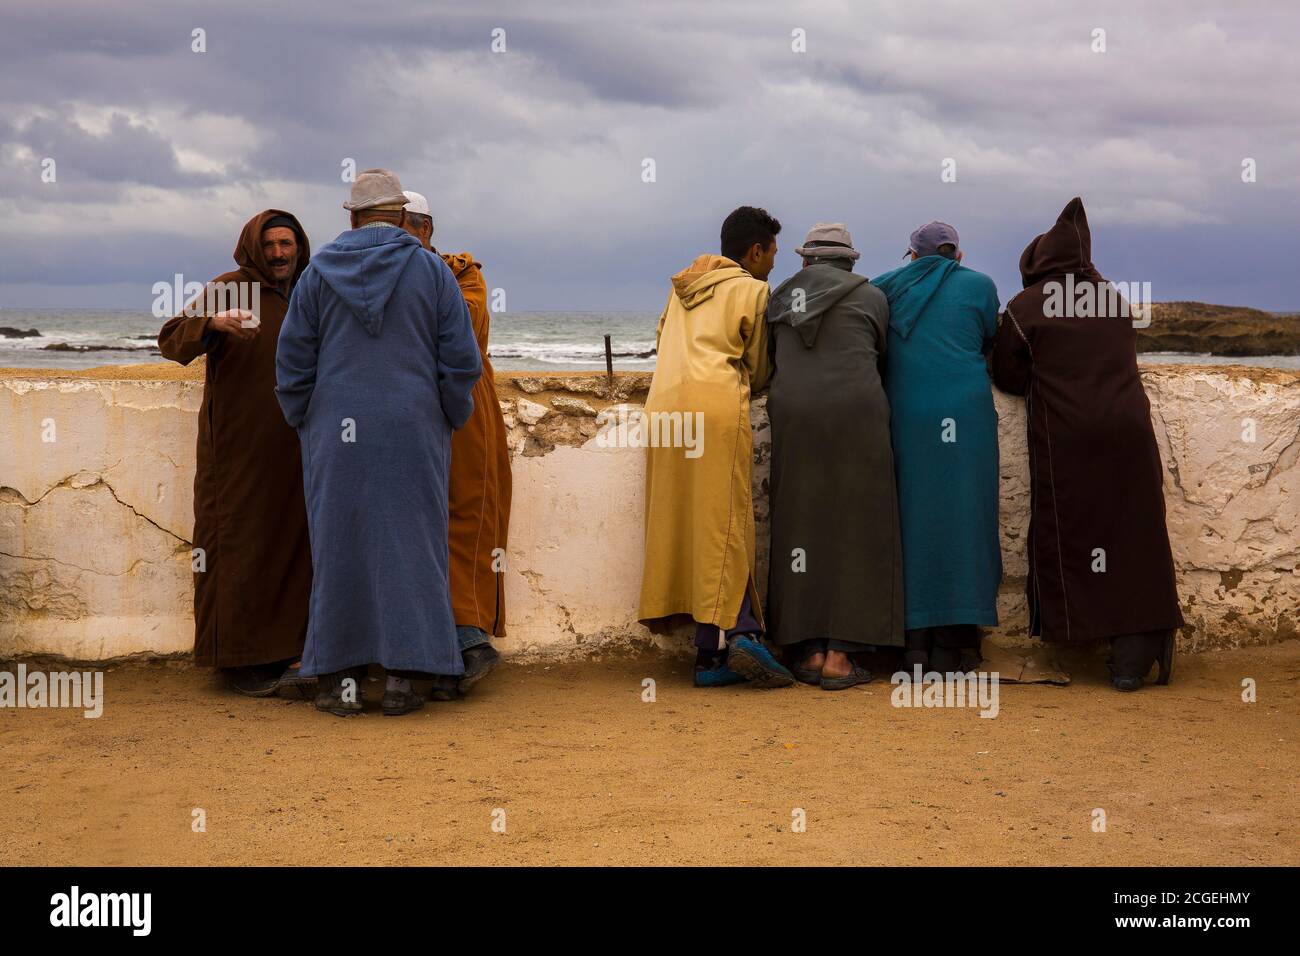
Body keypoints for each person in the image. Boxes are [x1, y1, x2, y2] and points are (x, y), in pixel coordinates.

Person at [275, 169, 481, 717]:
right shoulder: (430, 271)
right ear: (399, 216)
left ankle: (335, 681)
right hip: (412, 427)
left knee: (337, 547)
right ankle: (403, 681)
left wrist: (306, 420)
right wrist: (446, 417)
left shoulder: (318, 272)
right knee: (412, 549)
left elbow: (293, 360)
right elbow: (461, 359)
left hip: (335, 429)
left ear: (351, 215)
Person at [991, 197, 1183, 690]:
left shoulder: (1024, 308)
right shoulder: (1115, 301)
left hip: (1069, 437)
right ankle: (1134, 656)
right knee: (1134, 532)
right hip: (1130, 430)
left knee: (1075, 533)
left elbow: (1008, 376)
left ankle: (1084, 635)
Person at [157, 209, 313, 697]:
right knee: (238, 542)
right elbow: (171, 342)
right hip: (238, 449)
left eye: (287, 244)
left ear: (300, 247)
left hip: (299, 444)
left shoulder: (314, 290)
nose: (279, 254)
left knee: (293, 546)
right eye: (269, 246)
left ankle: (292, 653)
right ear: (253, 248)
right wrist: (213, 322)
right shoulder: (231, 287)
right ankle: (238, 662)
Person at [637, 206, 794, 688]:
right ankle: (741, 630)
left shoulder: (681, 285)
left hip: (663, 407)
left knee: (679, 524)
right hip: (714, 406)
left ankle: (709, 657)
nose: (772, 265)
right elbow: (760, 366)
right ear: (754, 251)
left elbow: (663, 340)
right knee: (725, 522)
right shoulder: (754, 290)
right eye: (771, 255)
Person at [765, 223, 902, 689]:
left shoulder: (781, 296)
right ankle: (841, 657)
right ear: (850, 263)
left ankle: (805, 651)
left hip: (794, 416)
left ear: (805, 261)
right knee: (858, 527)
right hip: (857, 413)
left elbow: (771, 360)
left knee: (798, 523)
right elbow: (880, 354)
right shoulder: (872, 297)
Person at [873, 221, 1001, 674]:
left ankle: (913, 646)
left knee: (912, 520)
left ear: (911, 255)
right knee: (966, 518)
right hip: (965, 412)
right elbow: (988, 338)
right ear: (957, 254)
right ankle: (959, 645)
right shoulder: (980, 285)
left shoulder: (883, 287)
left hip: (907, 411)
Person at [401, 190, 512, 699]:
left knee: (469, 513)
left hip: (464, 409)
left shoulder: (461, 272)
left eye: (410, 226)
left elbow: (465, 329)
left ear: (426, 229)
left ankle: (466, 637)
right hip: (404, 409)